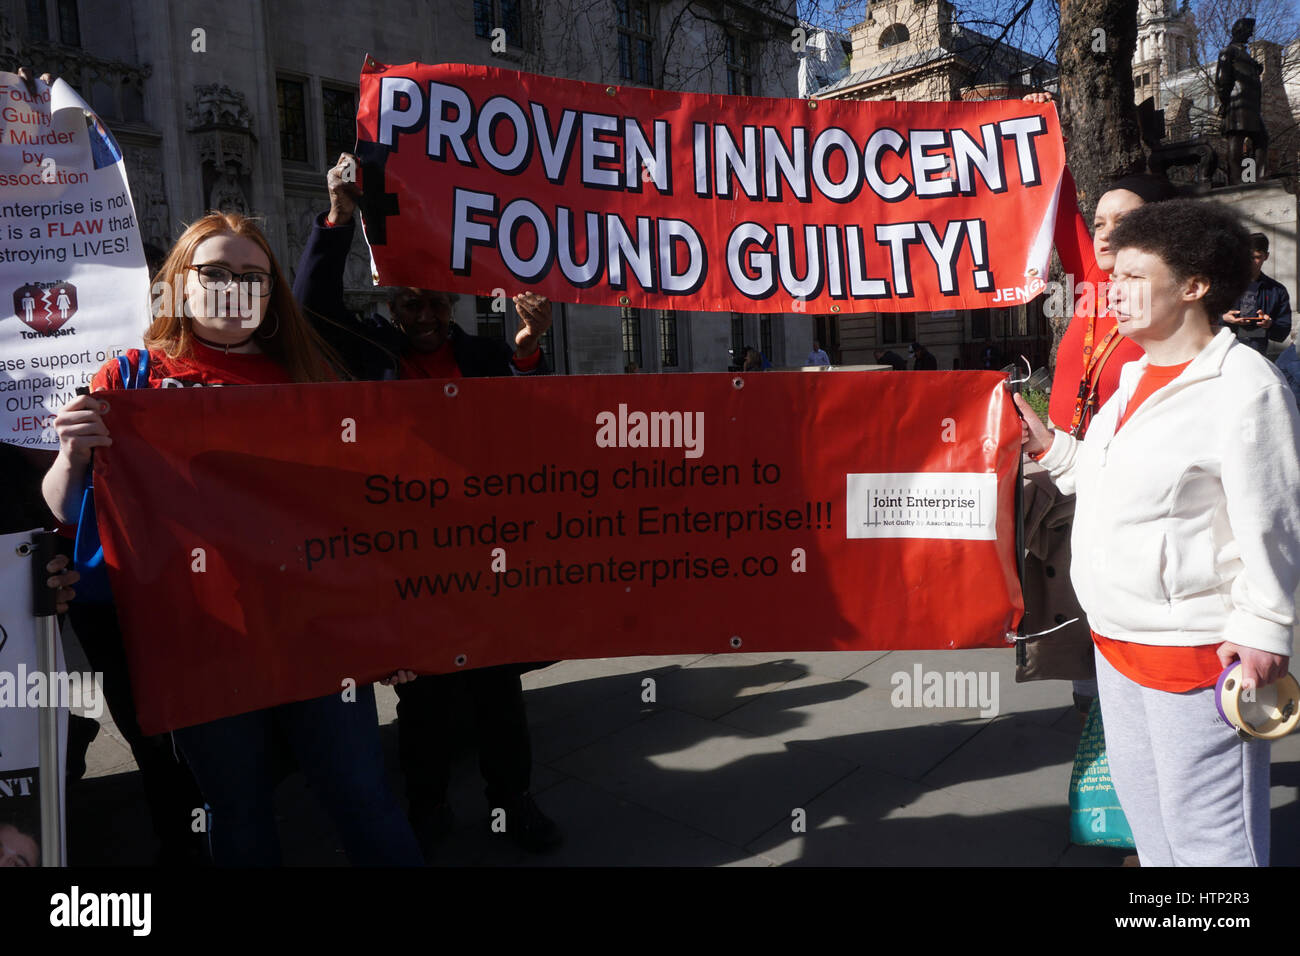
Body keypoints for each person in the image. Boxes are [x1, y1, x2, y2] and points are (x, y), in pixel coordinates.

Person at [42, 211, 423, 867]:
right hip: (199, 647)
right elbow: (69, 514)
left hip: (319, 638)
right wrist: (71, 456)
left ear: (273, 293)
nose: (234, 287)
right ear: (179, 284)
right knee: (237, 813)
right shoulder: (129, 378)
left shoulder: (314, 385)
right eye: (214, 272)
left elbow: (364, 523)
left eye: (254, 275)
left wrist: (386, 632)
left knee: (362, 797)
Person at [1016, 198, 1300, 866]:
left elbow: (1277, 520)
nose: (1115, 289)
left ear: (1195, 286)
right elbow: (1104, 475)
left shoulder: (1243, 387)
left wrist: (1266, 630)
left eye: (1137, 277)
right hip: (1117, 643)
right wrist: (1049, 446)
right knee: (1149, 823)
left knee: (1210, 839)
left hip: (1196, 657)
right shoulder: (1137, 376)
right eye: (1117, 276)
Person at [293, 153, 561, 860]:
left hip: (481, 552)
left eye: (438, 303)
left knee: (499, 690)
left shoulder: (483, 356)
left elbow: (534, 423)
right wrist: (339, 217)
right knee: (422, 697)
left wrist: (528, 353)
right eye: (411, 303)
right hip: (405, 557)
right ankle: (428, 806)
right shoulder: (371, 351)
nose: (426, 316)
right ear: (391, 307)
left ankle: (513, 801)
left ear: (456, 305)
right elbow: (311, 305)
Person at [1222, 233, 1292, 355]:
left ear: (1266, 256)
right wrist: (1223, 318)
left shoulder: (1277, 291)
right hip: (1224, 352)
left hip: (1257, 354)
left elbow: (1282, 332)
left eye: (1256, 257)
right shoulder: (1224, 284)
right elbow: (1200, 318)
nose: (1251, 262)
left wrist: (1269, 324)